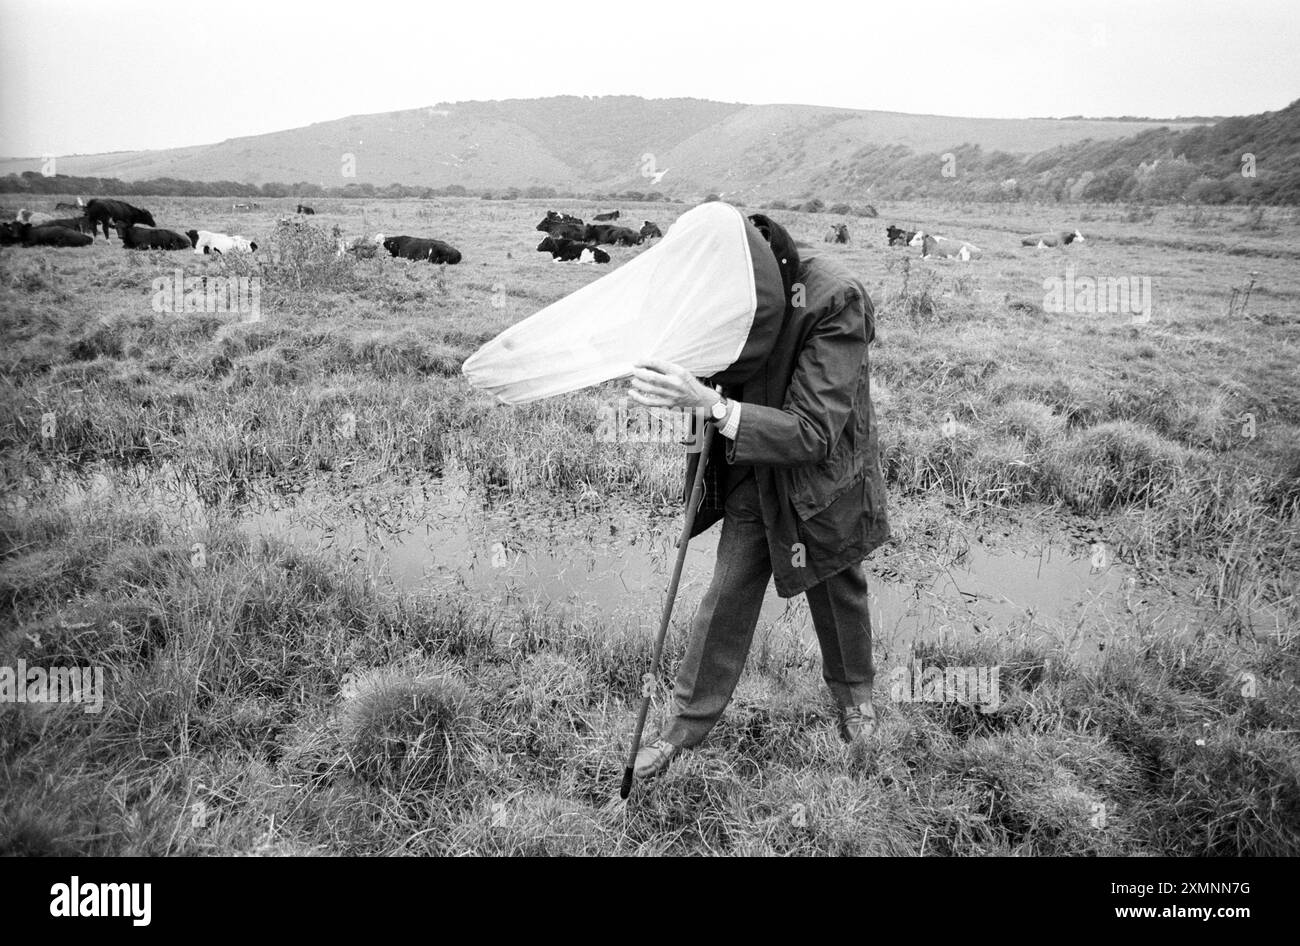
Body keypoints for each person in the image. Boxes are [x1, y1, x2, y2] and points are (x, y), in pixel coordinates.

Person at [626, 213, 890, 779]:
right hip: (755, 472)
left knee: (838, 588)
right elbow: (714, 377)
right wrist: (690, 391)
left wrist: (715, 407)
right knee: (726, 594)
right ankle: (681, 731)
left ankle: (856, 704)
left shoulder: (834, 299)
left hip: (825, 482)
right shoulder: (724, 295)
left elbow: (815, 431)